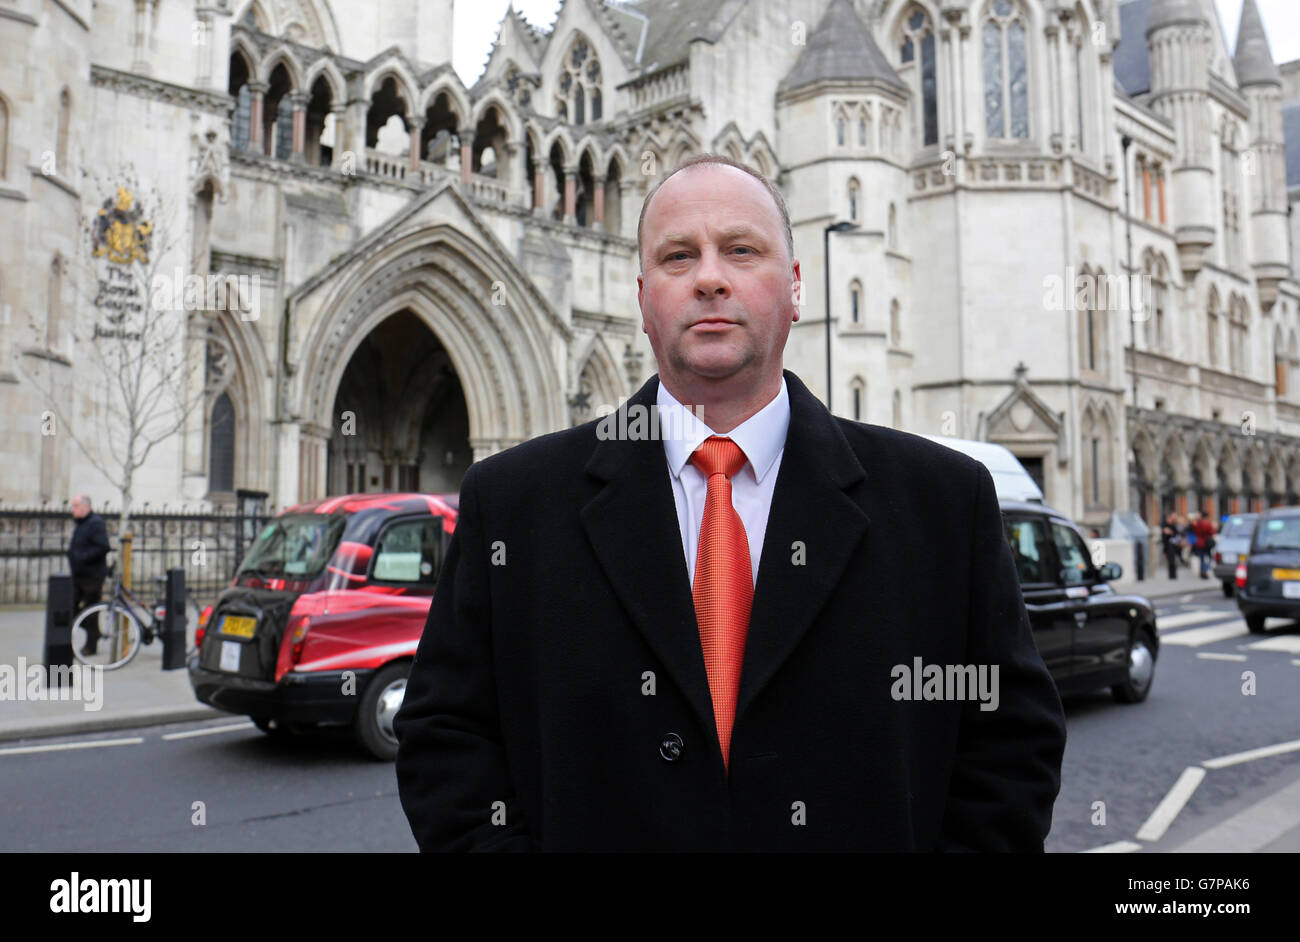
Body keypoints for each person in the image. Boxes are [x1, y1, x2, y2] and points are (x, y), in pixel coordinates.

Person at [394, 155, 1067, 852]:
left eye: (741, 251)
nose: (710, 277)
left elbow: (1009, 742)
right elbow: (446, 736)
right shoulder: (514, 502)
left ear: (797, 288)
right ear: (643, 297)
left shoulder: (942, 502)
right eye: (678, 256)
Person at [67, 494, 110, 656]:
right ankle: (93, 634)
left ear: (86, 507)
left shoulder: (95, 523)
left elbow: (103, 546)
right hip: (78, 575)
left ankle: (91, 645)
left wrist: (82, 558)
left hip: (92, 576)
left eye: (76, 506)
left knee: (90, 611)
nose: (73, 509)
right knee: (71, 609)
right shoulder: (82, 524)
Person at [1193, 512, 1217, 579]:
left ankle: (1202, 572)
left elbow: (1195, 532)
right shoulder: (1207, 523)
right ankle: (1204, 571)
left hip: (1199, 542)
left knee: (1201, 558)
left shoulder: (1198, 523)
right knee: (1209, 558)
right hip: (1206, 543)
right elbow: (1211, 532)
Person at [1161, 512, 1182, 580]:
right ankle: (1171, 575)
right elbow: (1166, 532)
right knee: (1170, 560)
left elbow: (1175, 533)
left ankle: (1173, 575)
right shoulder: (1164, 524)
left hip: (1173, 545)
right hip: (1167, 545)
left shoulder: (1173, 525)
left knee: (1173, 560)